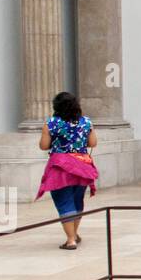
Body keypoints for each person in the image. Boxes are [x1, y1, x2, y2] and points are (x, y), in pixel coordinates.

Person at [35, 92, 99, 250]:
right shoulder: (86, 122)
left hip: (60, 166)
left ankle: (70, 240)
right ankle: (74, 235)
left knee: (64, 201)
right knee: (77, 200)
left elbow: (44, 146)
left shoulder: (51, 123)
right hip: (82, 166)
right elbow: (93, 143)